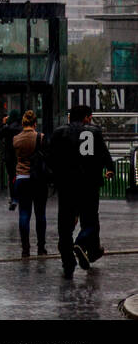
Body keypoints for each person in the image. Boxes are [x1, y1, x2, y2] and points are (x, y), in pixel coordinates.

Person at [51, 103, 115, 278]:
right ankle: (80, 242)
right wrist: (109, 168)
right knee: (91, 221)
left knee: (64, 226)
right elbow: (103, 154)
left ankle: (68, 262)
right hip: (89, 184)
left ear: (70, 117)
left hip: (67, 186)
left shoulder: (59, 133)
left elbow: (52, 159)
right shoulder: (94, 132)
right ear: (86, 117)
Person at [11, 110, 49, 257]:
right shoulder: (40, 137)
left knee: (24, 214)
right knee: (40, 214)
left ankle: (25, 248)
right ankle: (41, 247)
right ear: (35, 123)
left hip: (22, 178)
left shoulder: (16, 139)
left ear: (23, 123)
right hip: (38, 179)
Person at [0, 110, 21, 211]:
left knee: (12, 177)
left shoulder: (8, 128)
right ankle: (20, 196)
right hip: (20, 157)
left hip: (10, 157)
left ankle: (14, 198)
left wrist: (3, 124)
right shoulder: (22, 128)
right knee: (20, 176)